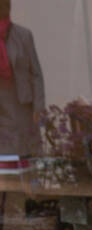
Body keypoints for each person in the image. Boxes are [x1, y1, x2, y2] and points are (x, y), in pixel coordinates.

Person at [0, 1, 45, 160]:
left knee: (26, 153)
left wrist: (39, 106)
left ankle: (30, 183)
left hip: (21, 104)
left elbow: (36, 73)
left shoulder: (23, 35)